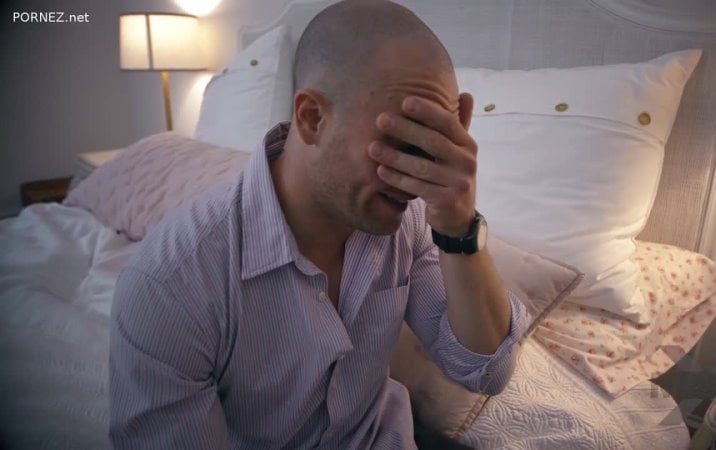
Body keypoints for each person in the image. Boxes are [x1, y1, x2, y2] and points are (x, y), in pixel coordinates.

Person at [108, 0, 531, 448]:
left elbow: (484, 369)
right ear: (311, 118)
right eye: (401, 141)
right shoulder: (172, 284)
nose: (416, 176)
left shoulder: (407, 222)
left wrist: (459, 226)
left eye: (433, 143)